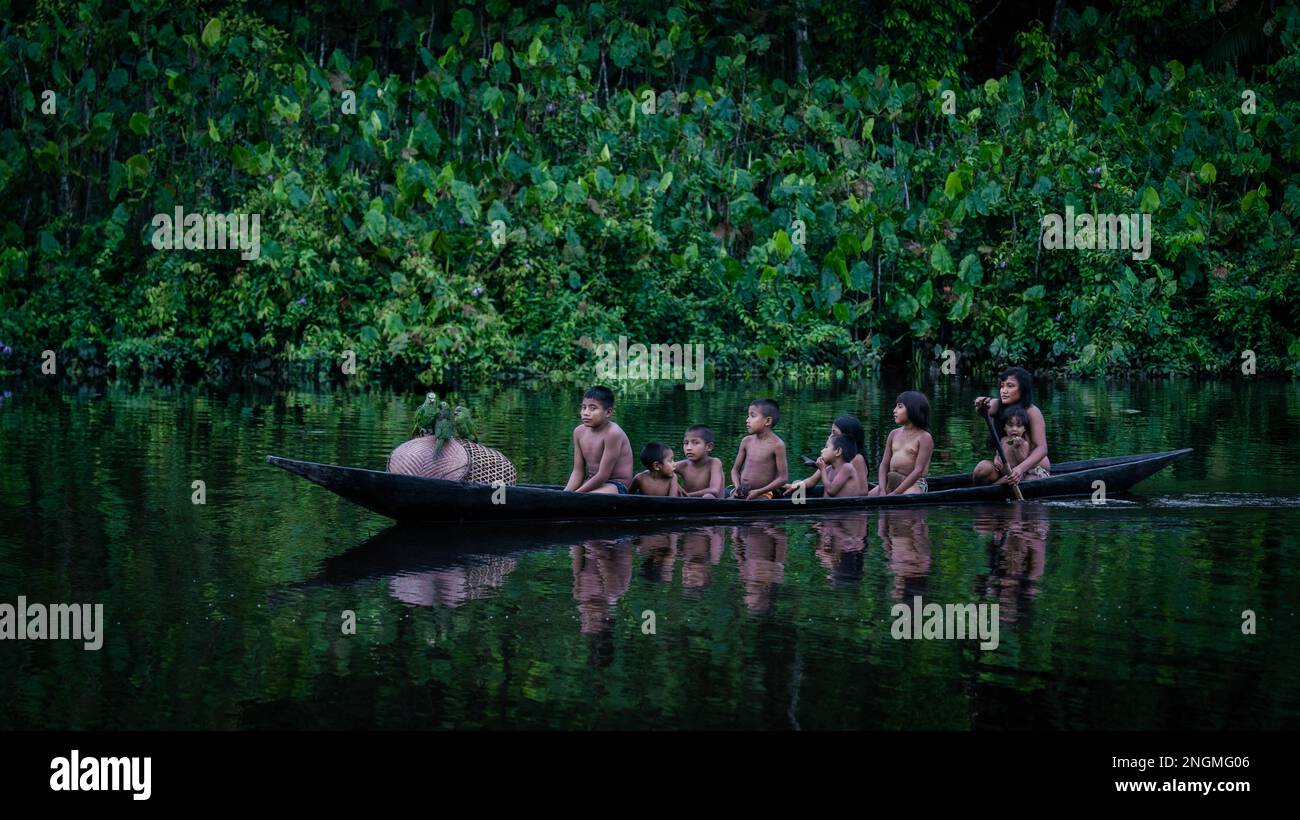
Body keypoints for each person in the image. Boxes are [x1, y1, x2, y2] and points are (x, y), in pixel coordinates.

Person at [972, 367, 1051, 486]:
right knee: (982, 469)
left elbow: (1042, 448)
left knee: (1030, 483)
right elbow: (987, 406)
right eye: (1002, 386)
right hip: (1004, 467)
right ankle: (996, 486)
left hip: (1031, 469)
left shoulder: (1032, 411)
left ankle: (997, 486)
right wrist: (980, 404)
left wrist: (1020, 469)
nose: (1004, 390)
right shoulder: (997, 405)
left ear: (1022, 389)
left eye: (1010, 386)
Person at [564, 386, 635, 493]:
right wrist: (565, 493)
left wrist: (577, 494)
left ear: (608, 412)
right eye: (583, 407)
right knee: (568, 497)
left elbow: (603, 475)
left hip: (616, 485)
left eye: (593, 408)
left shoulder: (613, 433)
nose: (586, 413)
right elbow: (578, 471)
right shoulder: (578, 432)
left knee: (583, 500)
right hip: (593, 482)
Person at [868, 390, 934, 496]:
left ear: (913, 409)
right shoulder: (893, 434)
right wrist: (881, 490)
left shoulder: (924, 437)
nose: (894, 410)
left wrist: (895, 493)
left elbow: (918, 471)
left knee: (903, 504)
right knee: (868, 497)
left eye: (899, 407)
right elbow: (884, 464)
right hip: (891, 482)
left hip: (913, 484)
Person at [793, 415, 872, 494]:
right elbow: (811, 481)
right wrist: (791, 486)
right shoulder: (834, 459)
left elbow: (863, 492)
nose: (830, 437)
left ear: (847, 439)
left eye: (834, 434)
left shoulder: (857, 459)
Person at [728, 398, 788, 499]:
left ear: (767, 421)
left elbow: (783, 478)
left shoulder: (777, 445)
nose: (747, 420)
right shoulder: (746, 441)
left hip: (763, 493)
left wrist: (758, 491)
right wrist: (738, 487)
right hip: (741, 490)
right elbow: (734, 470)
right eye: (748, 415)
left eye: (752, 416)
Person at [785, 434, 866, 497]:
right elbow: (811, 481)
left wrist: (822, 470)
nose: (822, 450)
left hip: (843, 514)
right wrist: (792, 486)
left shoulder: (847, 467)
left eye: (826, 447)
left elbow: (831, 491)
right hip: (831, 513)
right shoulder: (829, 468)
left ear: (838, 451)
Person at [989, 405, 1040, 485]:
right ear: (1005, 428)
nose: (1014, 429)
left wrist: (1017, 449)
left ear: (1024, 429)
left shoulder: (1024, 443)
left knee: (1007, 479)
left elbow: (1023, 461)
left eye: (1019, 426)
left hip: (1017, 474)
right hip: (1003, 472)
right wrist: (996, 460)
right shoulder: (1003, 440)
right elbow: (998, 453)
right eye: (1010, 425)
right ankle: (990, 487)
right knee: (1003, 477)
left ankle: (991, 487)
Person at [675, 425, 725, 498]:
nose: (688, 448)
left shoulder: (714, 463)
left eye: (695, 443)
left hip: (713, 504)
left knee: (708, 496)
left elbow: (714, 490)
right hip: (686, 503)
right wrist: (676, 485)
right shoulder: (683, 465)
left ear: (709, 447)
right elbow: (658, 469)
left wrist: (687, 495)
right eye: (686, 443)